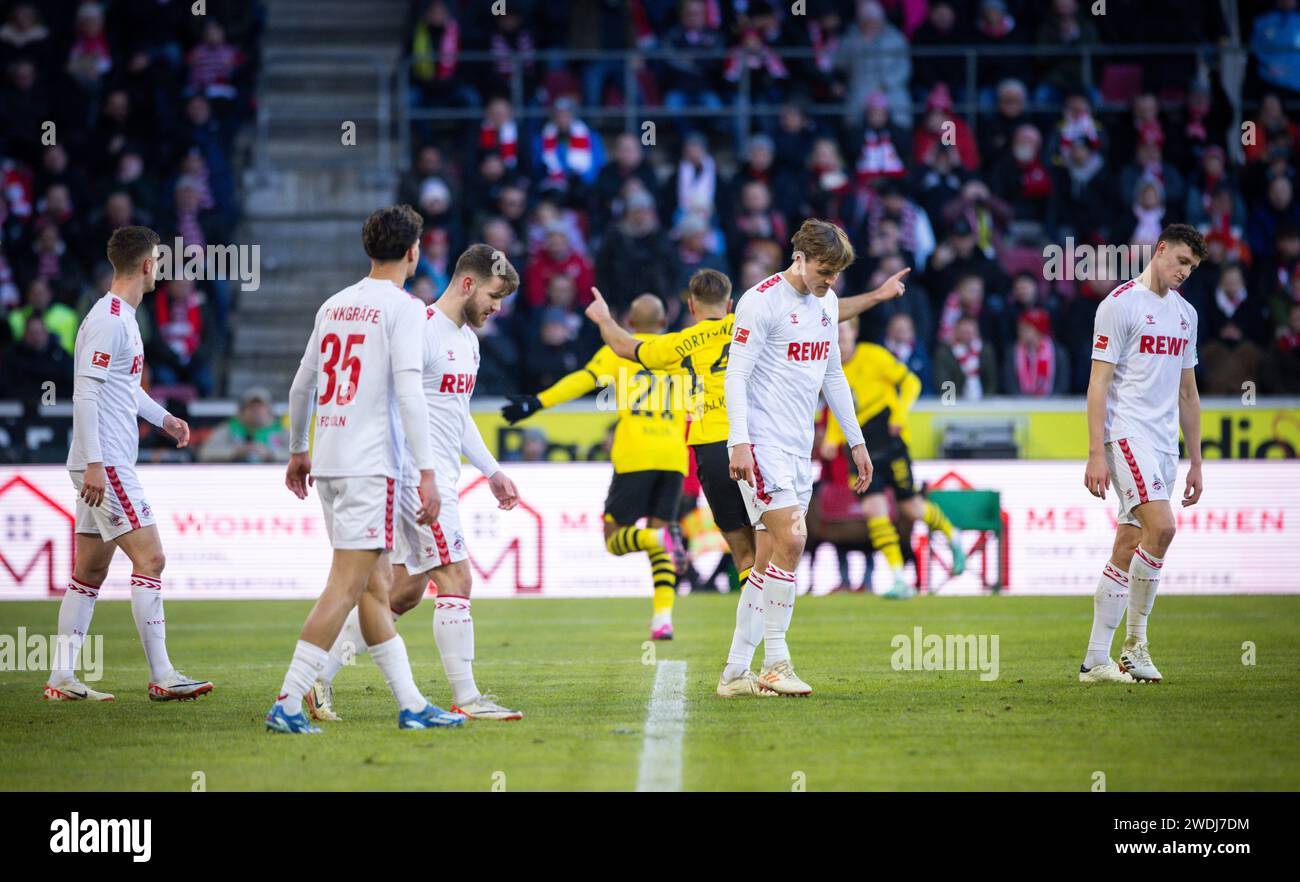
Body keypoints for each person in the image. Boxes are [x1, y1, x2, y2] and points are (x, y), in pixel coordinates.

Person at [307, 244, 523, 724]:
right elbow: (392, 400)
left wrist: (492, 470)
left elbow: (458, 413)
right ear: (467, 284)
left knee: (400, 593)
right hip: (413, 478)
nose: (496, 307)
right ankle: (466, 697)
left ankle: (315, 676)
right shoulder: (420, 329)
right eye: (493, 295)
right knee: (456, 577)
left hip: (435, 476)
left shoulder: (469, 341)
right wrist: (419, 474)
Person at [267, 205, 457, 734]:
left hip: (329, 460)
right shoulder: (404, 309)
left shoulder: (334, 304)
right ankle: (286, 701)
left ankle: (412, 704)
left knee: (376, 589)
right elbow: (409, 391)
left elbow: (300, 386)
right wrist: (427, 470)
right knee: (346, 586)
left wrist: (297, 448)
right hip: (371, 467)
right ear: (413, 251)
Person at [47, 225, 211, 703]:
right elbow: (86, 392)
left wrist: (165, 419)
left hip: (102, 460)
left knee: (89, 572)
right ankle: (162, 675)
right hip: (108, 462)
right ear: (146, 265)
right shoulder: (110, 321)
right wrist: (96, 463)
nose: (158, 269)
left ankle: (61, 678)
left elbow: (122, 389)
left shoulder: (120, 317)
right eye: (158, 261)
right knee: (152, 558)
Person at [721, 219, 872, 697]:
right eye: (824, 271)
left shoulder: (826, 303)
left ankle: (733, 674)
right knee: (794, 537)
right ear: (800, 257)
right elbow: (736, 376)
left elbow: (834, 377)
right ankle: (776, 663)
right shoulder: (760, 301)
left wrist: (856, 440)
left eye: (837, 274)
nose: (831, 282)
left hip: (796, 448)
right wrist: (738, 441)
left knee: (767, 562)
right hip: (762, 443)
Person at [504, 294, 689, 641]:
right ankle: (662, 619)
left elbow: (582, 380)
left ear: (631, 325)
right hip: (674, 456)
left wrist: (537, 402)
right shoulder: (679, 350)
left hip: (636, 453)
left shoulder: (622, 350)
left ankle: (657, 538)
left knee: (614, 539)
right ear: (664, 324)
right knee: (660, 546)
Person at [1081, 224, 1207, 684]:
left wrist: (1196, 461)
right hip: (1126, 434)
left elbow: (1188, 393)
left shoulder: (1186, 315)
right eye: (1180, 261)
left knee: (1129, 544)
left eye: (1191, 267)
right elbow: (1098, 382)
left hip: (1162, 444)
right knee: (1163, 527)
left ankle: (1095, 660)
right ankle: (1135, 646)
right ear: (1159, 251)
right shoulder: (1119, 305)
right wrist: (1096, 452)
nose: (1184, 272)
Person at [822, 316, 964, 599]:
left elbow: (911, 382)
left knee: (911, 509)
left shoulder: (874, 356)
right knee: (874, 511)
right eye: (833, 334)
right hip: (859, 448)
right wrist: (831, 439)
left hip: (890, 441)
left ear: (854, 332)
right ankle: (899, 579)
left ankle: (953, 535)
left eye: (842, 333)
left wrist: (899, 415)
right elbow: (840, 412)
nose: (838, 339)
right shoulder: (827, 369)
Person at [198, 387, 290, 463]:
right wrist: (237, 452)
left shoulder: (281, 431)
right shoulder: (228, 428)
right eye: (252, 407)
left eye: (260, 407)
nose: (256, 411)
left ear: (269, 410)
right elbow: (205, 453)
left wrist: (269, 454)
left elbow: (299, 456)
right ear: (242, 411)